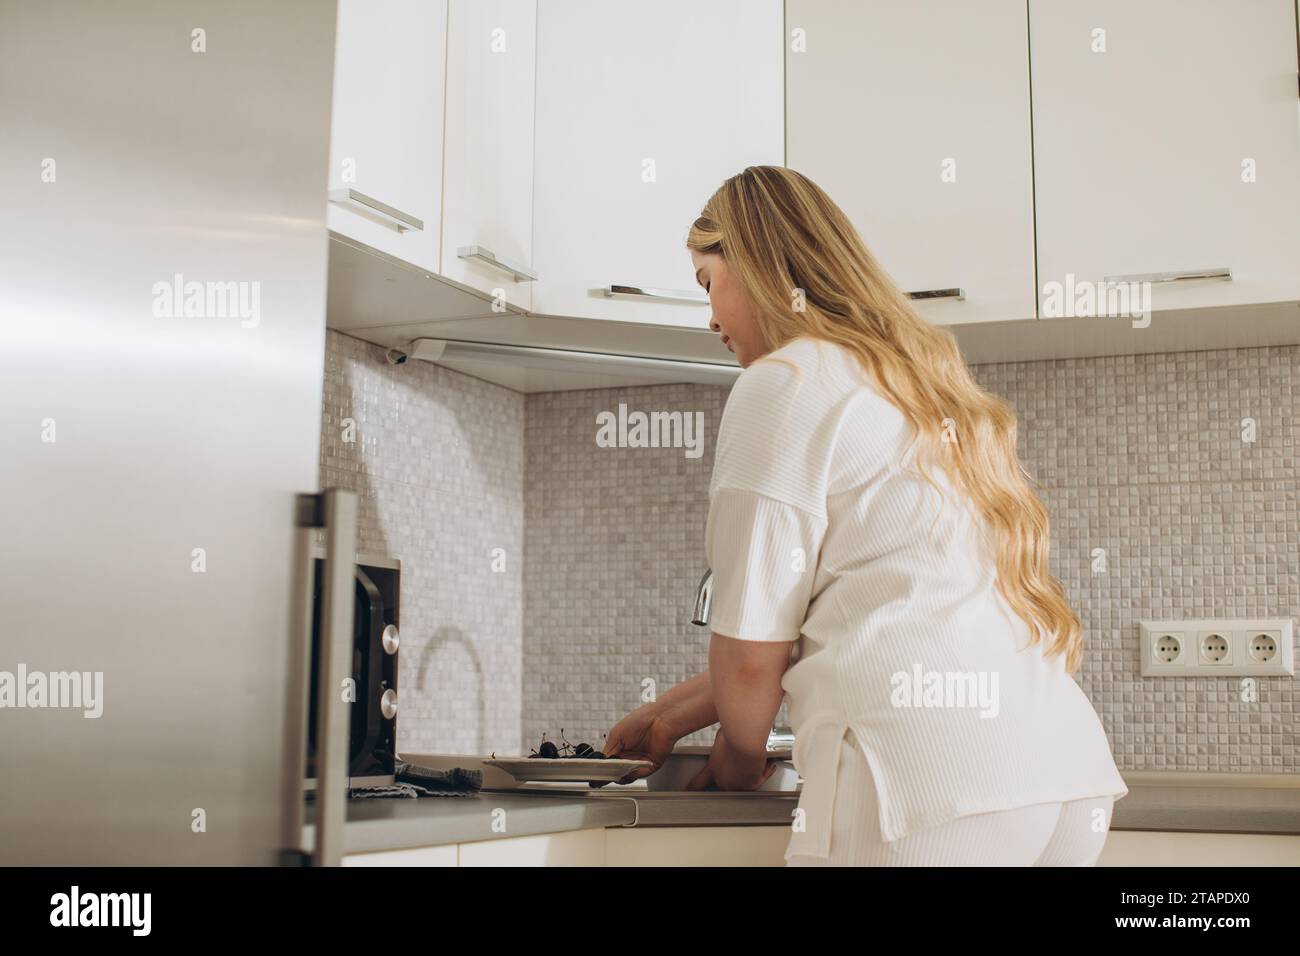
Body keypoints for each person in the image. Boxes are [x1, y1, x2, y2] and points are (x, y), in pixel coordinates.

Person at [602, 166, 1127, 866]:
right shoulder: (912, 383)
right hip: (1060, 775)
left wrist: (735, 761)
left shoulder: (781, 381)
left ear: (758, 264)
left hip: (922, 782)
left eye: (707, 283)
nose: (710, 318)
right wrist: (672, 715)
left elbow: (754, 653)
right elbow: (875, 614)